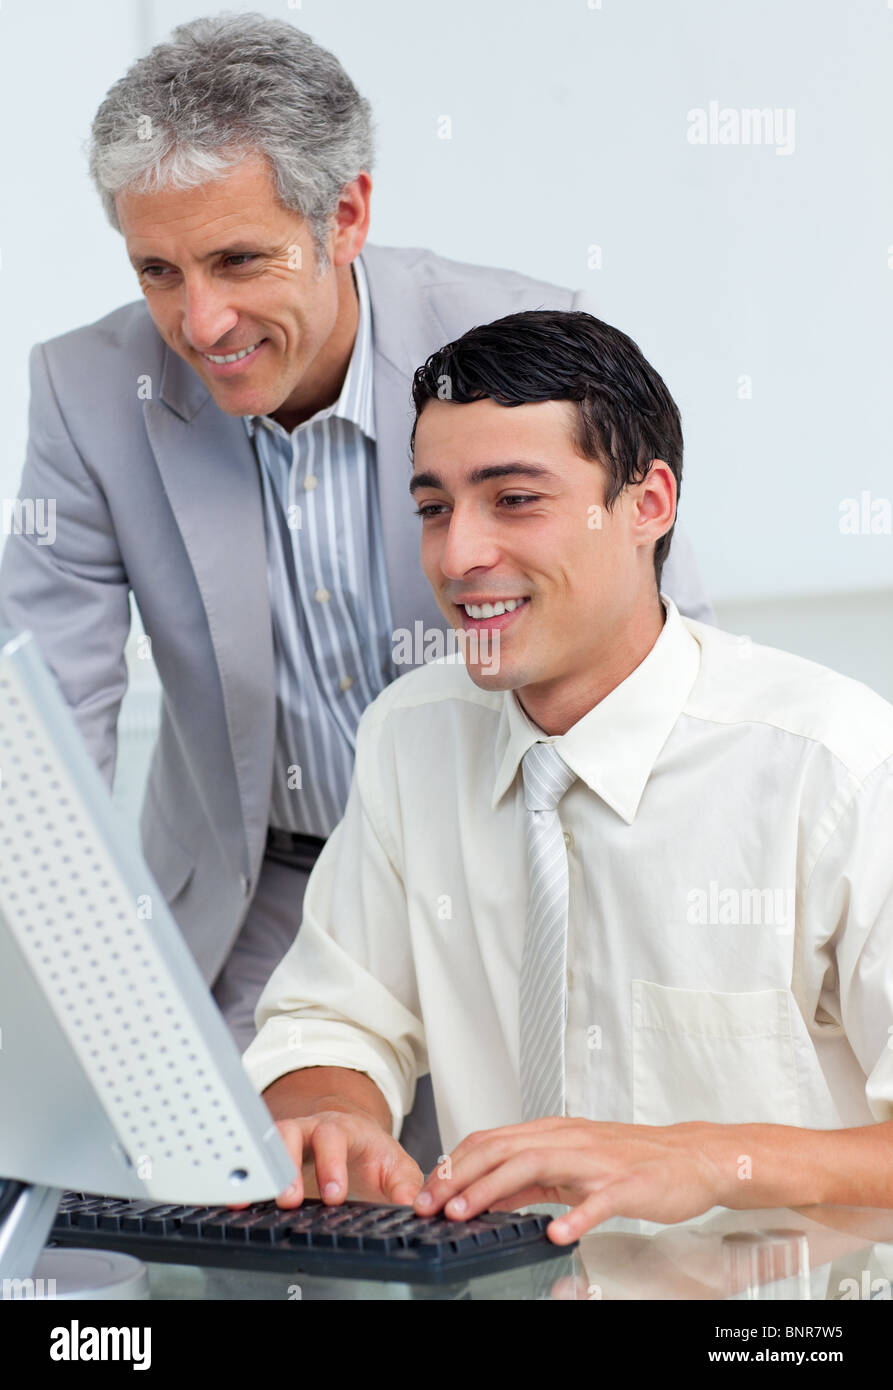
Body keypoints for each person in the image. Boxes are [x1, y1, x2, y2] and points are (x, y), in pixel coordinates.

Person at [0, 14, 712, 1171]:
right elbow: (42, 747)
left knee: (522, 1224)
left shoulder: (521, 349)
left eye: (239, 261)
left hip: (507, 879)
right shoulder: (88, 391)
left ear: (346, 216)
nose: (200, 323)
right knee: (245, 1221)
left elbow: (661, 662)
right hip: (260, 905)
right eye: (157, 271)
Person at [241, 308, 893, 1243]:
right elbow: (332, 1020)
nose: (458, 554)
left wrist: (710, 1159)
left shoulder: (833, 769)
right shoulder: (410, 736)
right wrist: (335, 1114)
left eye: (514, 500)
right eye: (434, 507)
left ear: (648, 505)